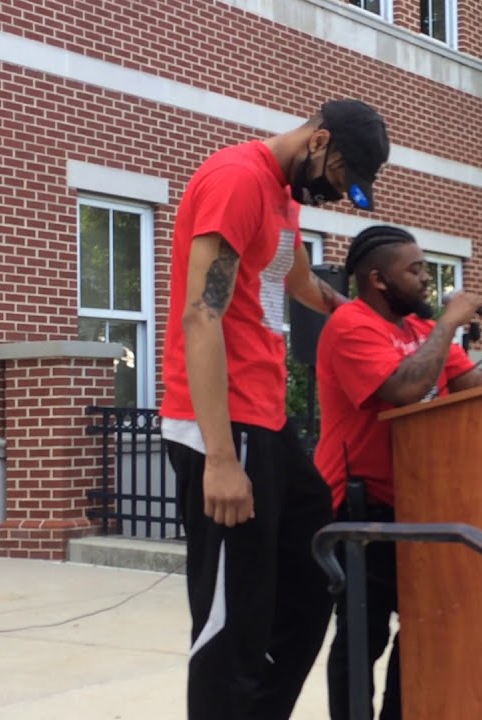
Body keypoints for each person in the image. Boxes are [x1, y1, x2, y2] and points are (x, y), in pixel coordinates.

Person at [158, 99, 391, 720]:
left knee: (313, 575)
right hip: (222, 423)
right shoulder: (237, 181)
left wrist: (371, 322)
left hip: (265, 417)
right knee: (233, 620)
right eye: (338, 177)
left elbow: (300, 284)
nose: (335, 194)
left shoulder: (282, 197)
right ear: (318, 140)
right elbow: (202, 314)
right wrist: (219, 459)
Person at [314, 225, 482, 720]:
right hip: (360, 507)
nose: (424, 280)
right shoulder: (351, 325)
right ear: (378, 279)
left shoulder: (419, 329)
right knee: (363, 634)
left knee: (425, 627)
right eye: (414, 270)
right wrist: (449, 324)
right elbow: (403, 389)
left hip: (419, 500)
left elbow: (475, 389)